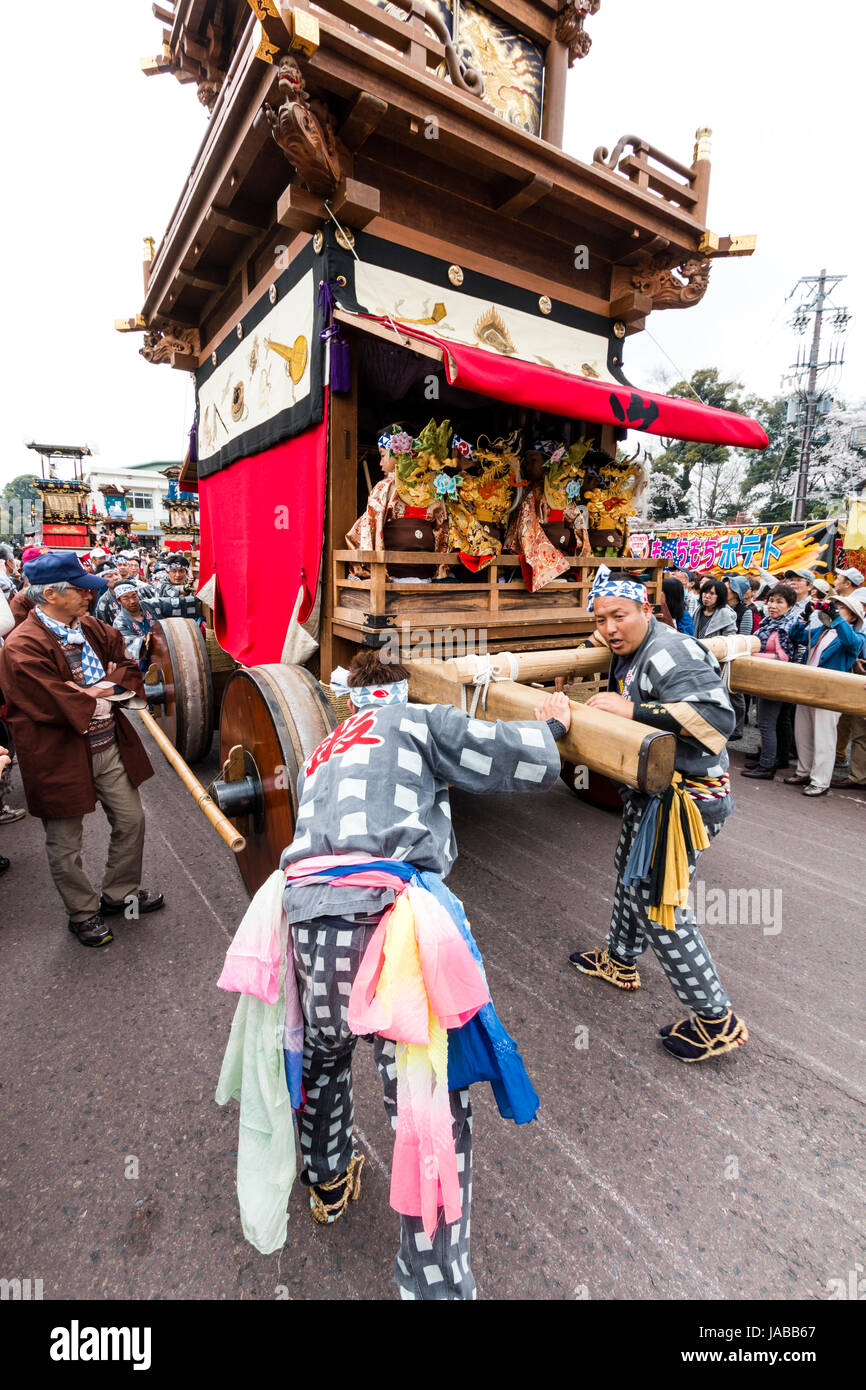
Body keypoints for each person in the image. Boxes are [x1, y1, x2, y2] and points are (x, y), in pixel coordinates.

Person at [270, 648, 568, 1299]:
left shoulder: (322, 752)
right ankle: (434, 1287)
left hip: (307, 925)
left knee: (322, 1059)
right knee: (426, 1105)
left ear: (351, 700)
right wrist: (553, 724)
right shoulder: (416, 721)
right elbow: (505, 756)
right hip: (388, 928)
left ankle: (325, 1177)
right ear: (402, 692)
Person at [569, 572, 748, 1062]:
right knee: (629, 874)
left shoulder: (673, 652)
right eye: (601, 619)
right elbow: (603, 637)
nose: (609, 628)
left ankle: (717, 1019)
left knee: (660, 906)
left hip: (686, 802)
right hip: (651, 796)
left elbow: (718, 721)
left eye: (619, 615)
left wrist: (633, 711)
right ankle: (620, 960)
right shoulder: (629, 645)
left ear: (647, 609)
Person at [0, 551, 164, 948]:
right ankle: (82, 912)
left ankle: (118, 894)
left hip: (108, 743)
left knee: (131, 821)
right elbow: (53, 701)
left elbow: (128, 662)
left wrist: (95, 691)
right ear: (50, 595)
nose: (89, 595)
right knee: (65, 841)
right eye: (79, 589)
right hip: (57, 755)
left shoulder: (87, 625)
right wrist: (104, 691)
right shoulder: (21, 645)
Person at [783, 592, 865, 796]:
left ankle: (820, 781)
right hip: (808, 686)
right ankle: (803, 771)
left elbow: (852, 644)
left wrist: (836, 617)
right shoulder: (822, 630)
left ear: (853, 616)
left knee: (824, 737)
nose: (834, 608)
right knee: (803, 732)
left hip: (829, 691)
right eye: (834, 605)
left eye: (841, 606)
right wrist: (805, 615)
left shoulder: (857, 636)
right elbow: (796, 635)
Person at [741, 583, 798, 780]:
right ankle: (774, 759)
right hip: (765, 677)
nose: (773, 605)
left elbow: (783, 657)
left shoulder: (786, 626)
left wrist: (754, 656)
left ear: (790, 606)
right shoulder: (769, 621)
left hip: (775, 679)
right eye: (771, 601)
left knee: (766, 723)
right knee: (776, 722)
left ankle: (766, 766)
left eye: (779, 602)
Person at [113, 584, 158, 659]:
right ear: (119, 601)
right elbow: (128, 646)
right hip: (143, 662)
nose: (132, 601)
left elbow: (173, 604)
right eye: (126, 598)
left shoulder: (150, 605)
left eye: (134, 596)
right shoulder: (119, 622)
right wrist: (145, 639)